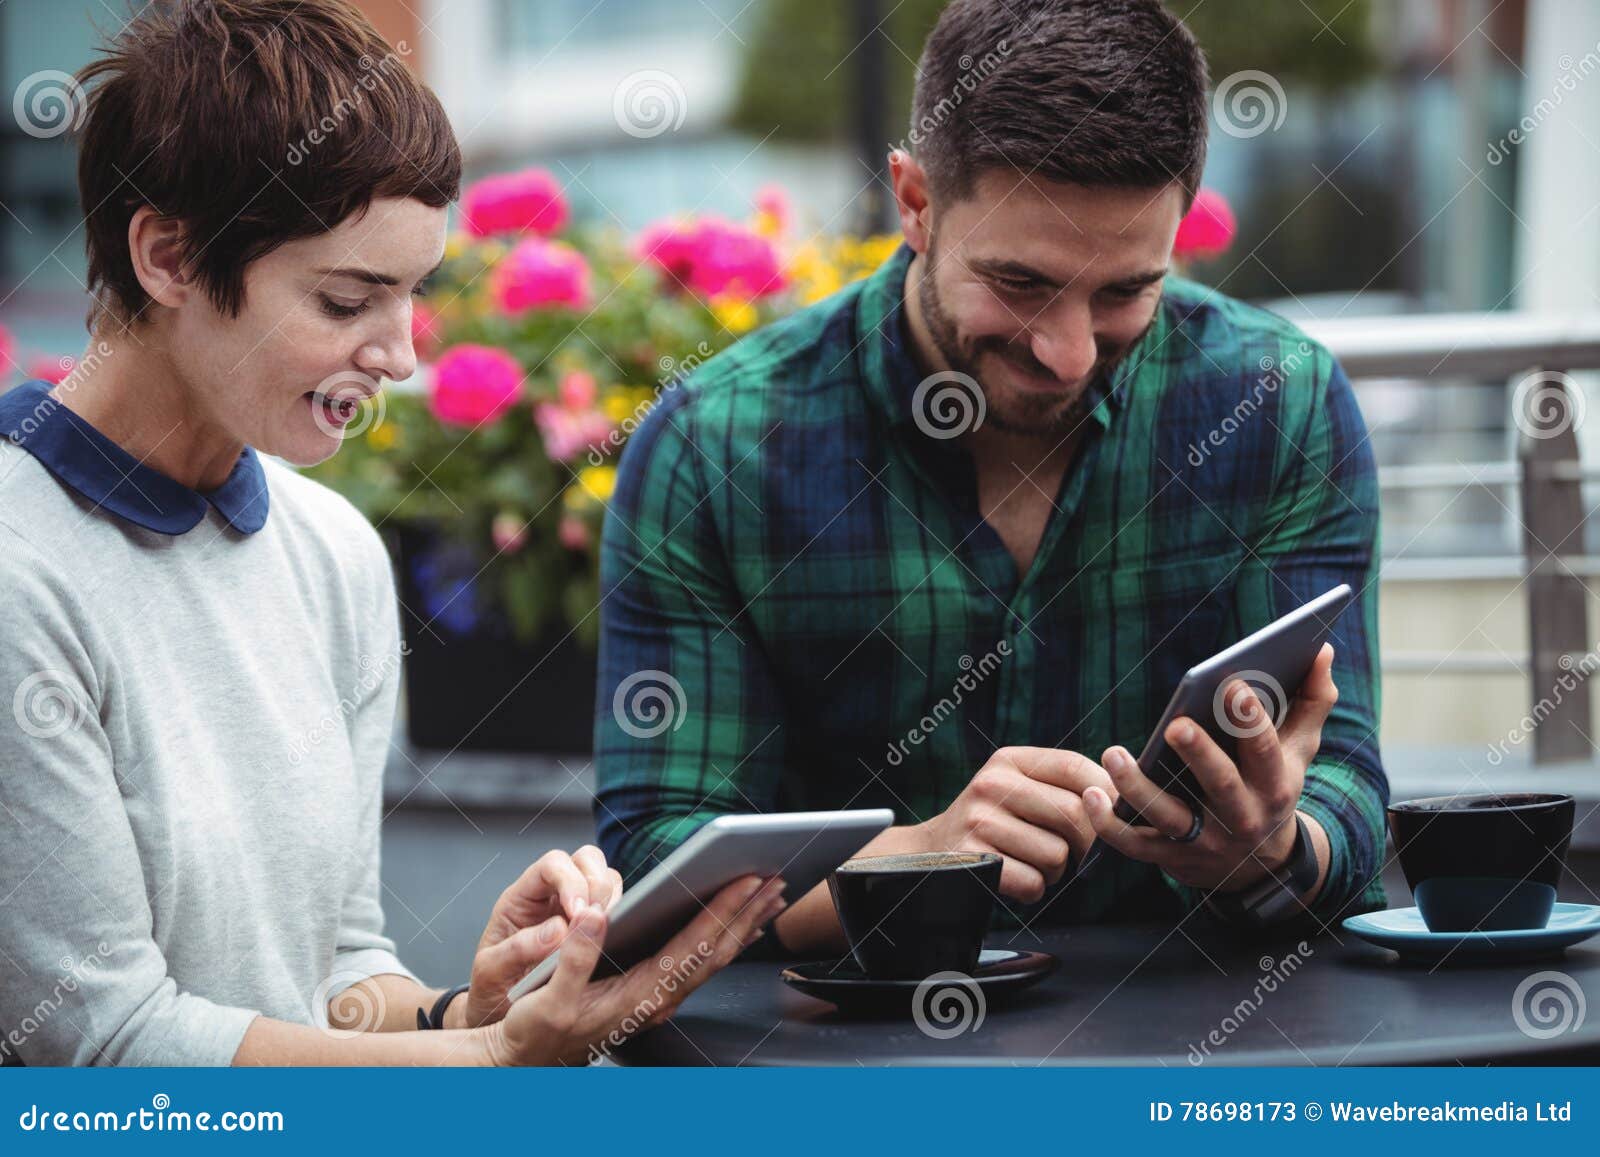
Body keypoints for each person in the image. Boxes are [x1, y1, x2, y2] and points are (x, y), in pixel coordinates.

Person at [0, 0, 785, 1067]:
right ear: (168, 255)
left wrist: (471, 1010)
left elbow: (332, 969)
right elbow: (105, 1046)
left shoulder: (331, 551)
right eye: (344, 300)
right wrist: (494, 1064)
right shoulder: (21, 569)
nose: (400, 356)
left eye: (413, 296)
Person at [594, 0, 1386, 955]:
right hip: (837, 1065)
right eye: (1020, 283)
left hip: (1197, 1047)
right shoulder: (715, 445)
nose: (1069, 351)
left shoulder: (1278, 404)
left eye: (1126, 291)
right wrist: (914, 859)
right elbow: (655, 855)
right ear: (916, 202)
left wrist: (1275, 848)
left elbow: (1344, 784)